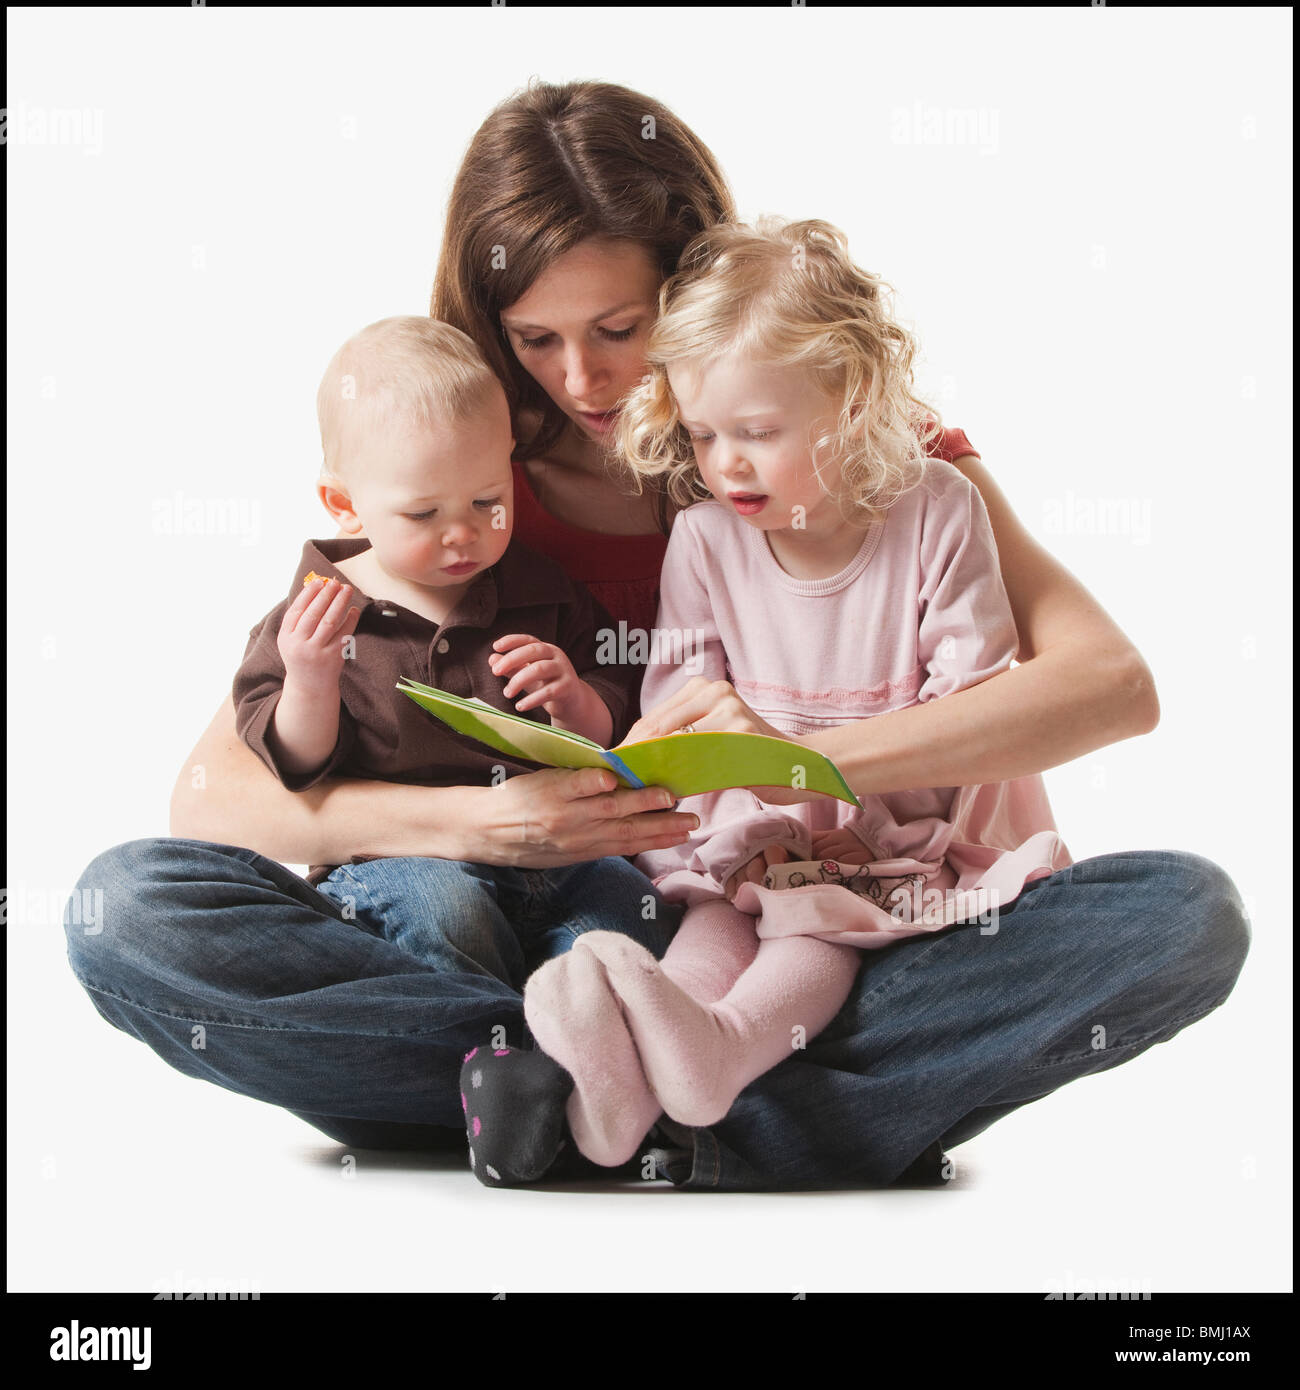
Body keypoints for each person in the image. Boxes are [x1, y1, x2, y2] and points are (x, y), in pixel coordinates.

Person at [64, 79, 1248, 1191]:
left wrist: (799, 760)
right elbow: (217, 794)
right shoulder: (458, 479)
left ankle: (555, 1107)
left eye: (620, 327)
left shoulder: (852, 444)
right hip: (547, 930)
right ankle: (717, 1106)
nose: (580, 376)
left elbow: (1110, 685)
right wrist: (485, 822)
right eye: (533, 338)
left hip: (838, 911)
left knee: (1178, 915)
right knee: (135, 907)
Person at [467, 215, 1073, 1179]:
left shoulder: (938, 512)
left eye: (755, 434)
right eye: (704, 435)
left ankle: (707, 1073)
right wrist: (750, 823)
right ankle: (620, 1101)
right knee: (712, 923)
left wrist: (826, 807)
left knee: (814, 931)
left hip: (891, 851)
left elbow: (973, 721)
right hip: (749, 848)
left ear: (855, 396)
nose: (726, 464)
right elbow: (680, 718)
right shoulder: (706, 540)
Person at [230, 315, 678, 1041]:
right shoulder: (314, 616)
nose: (463, 532)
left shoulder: (540, 588)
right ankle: (500, 1055)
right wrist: (309, 679)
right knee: (448, 915)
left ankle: (590, 1047)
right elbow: (296, 766)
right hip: (406, 860)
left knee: (630, 911)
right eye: (423, 513)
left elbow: (615, 719)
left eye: (485, 499)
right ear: (344, 504)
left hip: (559, 857)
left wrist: (574, 697)